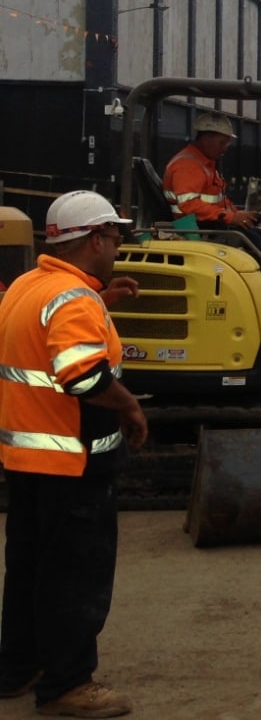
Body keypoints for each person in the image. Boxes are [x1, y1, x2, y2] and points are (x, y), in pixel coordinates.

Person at [0, 191, 148, 718]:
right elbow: (82, 375)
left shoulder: (30, 285)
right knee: (74, 575)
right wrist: (130, 407)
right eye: (113, 236)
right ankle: (67, 684)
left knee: (29, 570)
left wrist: (103, 302)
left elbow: (44, 340)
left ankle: (18, 669)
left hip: (27, 460)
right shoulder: (73, 300)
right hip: (74, 463)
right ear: (93, 240)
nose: (116, 245)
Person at [161, 111, 261, 254]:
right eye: (222, 143)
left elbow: (218, 200)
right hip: (194, 227)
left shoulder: (205, 163)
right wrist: (231, 217)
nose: (225, 148)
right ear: (206, 139)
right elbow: (189, 205)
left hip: (207, 222)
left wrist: (239, 214)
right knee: (254, 239)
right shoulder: (187, 166)